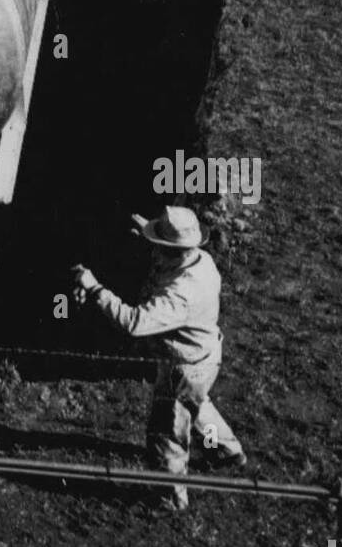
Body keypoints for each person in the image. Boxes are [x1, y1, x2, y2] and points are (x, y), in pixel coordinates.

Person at [72, 206, 246, 511]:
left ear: (172, 251)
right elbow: (168, 260)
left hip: (183, 367)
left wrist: (95, 288)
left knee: (166, 433)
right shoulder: (202, 262)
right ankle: (227, 451)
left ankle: (170, 497)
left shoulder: (180, 294)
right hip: (204, 357)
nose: (154, 255)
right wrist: (149, 235)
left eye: (160, 248)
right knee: (196, 404)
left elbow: (134, 323)